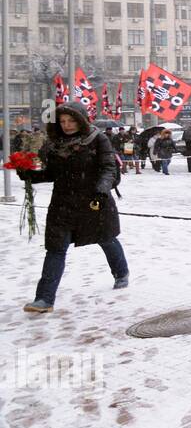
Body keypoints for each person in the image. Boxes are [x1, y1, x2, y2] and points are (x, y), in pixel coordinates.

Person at [18, 102, 129, 313]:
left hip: (94, 202)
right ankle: (44, 299)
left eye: (71, 121)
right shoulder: (54, 144)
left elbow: (108, 168)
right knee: (56, 249)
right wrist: (29, 175)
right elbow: (51, 174)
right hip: (62, 205)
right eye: (62, 121)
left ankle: (121, 273)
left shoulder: (98, 139)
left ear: (81, 120)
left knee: (105, 239)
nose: (67, 125)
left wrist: (101, 189)